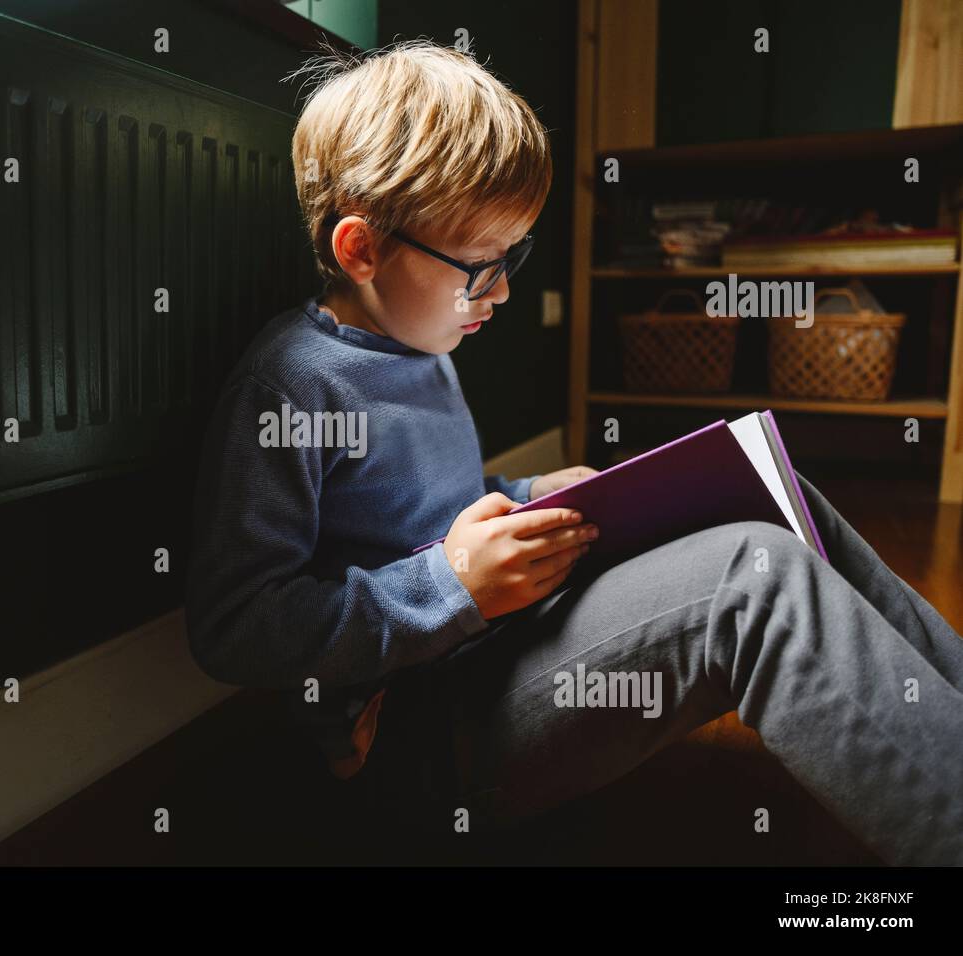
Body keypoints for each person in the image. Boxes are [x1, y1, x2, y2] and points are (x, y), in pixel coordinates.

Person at [184, 39, 963, 866]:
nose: (505, 290)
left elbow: (414, 514)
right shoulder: (291, 390)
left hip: (498, 647)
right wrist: (446, 586)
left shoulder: (424, 347)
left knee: (773, 491)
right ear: (361, 250)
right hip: (418, 740)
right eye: (482, 265)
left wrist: (523, 492)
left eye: (512, 258)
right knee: (754, 581)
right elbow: (235, 626)